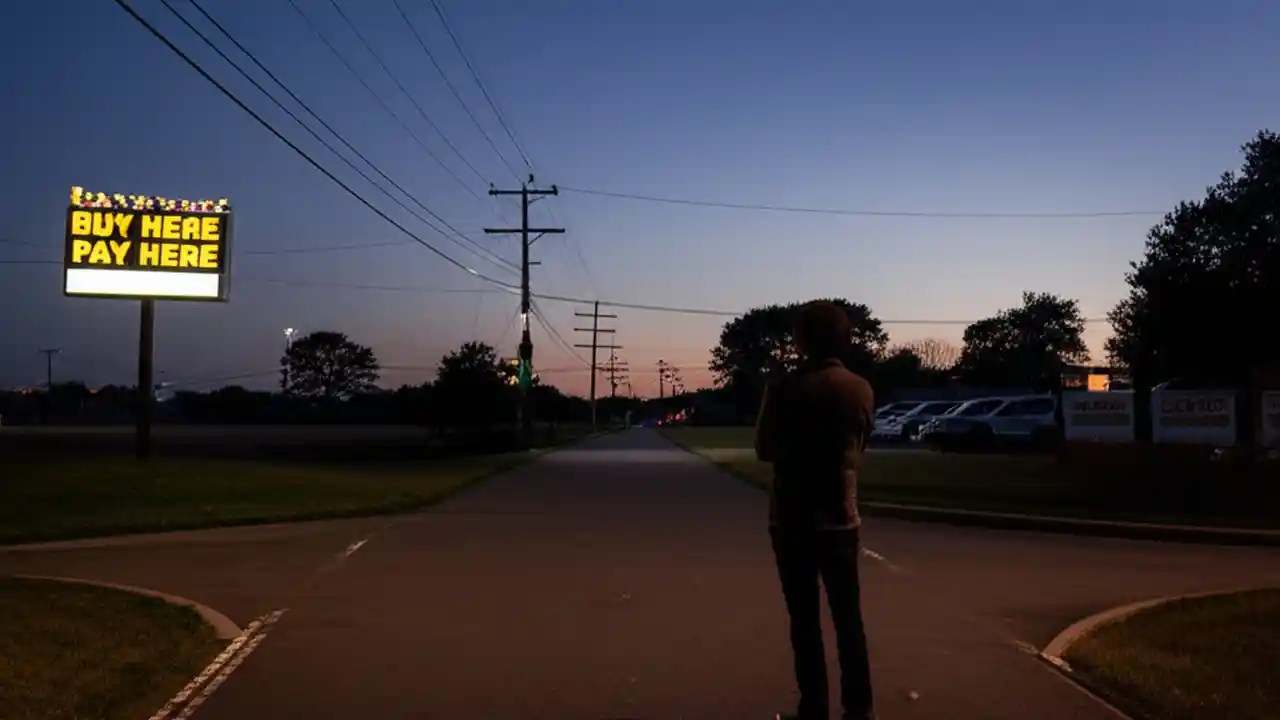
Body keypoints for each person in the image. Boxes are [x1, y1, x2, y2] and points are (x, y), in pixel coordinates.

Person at [755, 300, 876, 720]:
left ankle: (815, 707)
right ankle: (859, 708)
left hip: (791, 517)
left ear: (801, 340)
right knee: (849, 619)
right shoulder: (860, 388)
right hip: (841, 516)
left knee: (804, 622)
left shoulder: (783, 387)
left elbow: (764, 448)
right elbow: (861, 447)